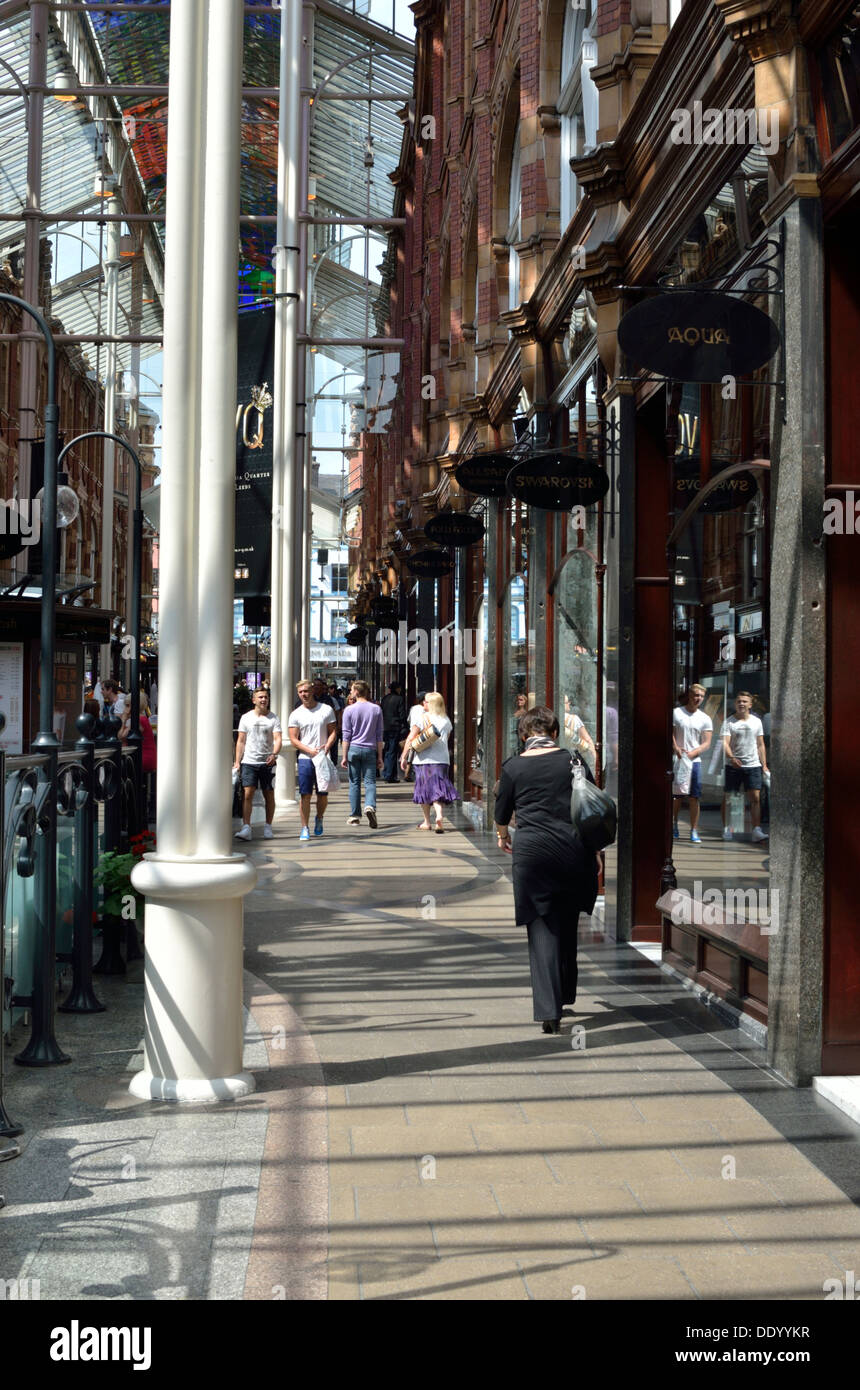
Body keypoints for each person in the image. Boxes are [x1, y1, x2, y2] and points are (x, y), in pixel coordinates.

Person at [493, 706, 598, 1034]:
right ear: (555, 734)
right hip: (573, 850)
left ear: (524, 735)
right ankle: (565, 992)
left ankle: (549, 1010)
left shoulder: (513, 767)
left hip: (533, 854)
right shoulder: (575, 762)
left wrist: (502, 835)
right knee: (567, 923)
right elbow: (590, 807)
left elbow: (501, 811)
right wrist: (594, 852)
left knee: (541, 927)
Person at [401, 690, 458, 832]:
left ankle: (427, 821)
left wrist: (404, 756)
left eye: (426, 701)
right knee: (438, 788)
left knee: (425, 790)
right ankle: (439, 815)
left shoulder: (422, 718)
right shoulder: (446, 720)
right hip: (442, 759)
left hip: (424, 759)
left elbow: (410, 738)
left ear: (431, 704)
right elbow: (447, 739)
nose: (423, 703)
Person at [288, 678, 337, 841]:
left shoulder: (326, 710)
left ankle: (319, 817)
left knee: (322, 794)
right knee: (305, 795)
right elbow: (293, 738)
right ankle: (304, 827)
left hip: (322, 758)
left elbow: (333, 732)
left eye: (306, 691)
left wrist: (327, 746)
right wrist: (309, 750)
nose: (304, 694)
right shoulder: (296, 714)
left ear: (313, 691)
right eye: (301, 692)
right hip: (305, 758)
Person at [234, 687, 282, 841]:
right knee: (248, 793)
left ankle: (268, 826)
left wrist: (274, 754)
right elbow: (241, 741)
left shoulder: (273, 718)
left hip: (267, 762)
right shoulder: (246, 718)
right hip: (249, 761)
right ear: (254, 700)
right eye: (260, 697)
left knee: (269, 794)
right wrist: (237, 762)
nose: (263, 700)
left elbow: (278, 738)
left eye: (266, 697)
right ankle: (246, 827)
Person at [721, 690, 769, 842]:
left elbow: (760, 744)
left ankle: (756, 830)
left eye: (744, 701)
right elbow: (725, 743)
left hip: (753, 765)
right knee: (731, 797)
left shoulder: (757, 721)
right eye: (739, 701)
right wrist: (732, 757)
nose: (741, 703)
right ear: (735, 703)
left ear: (750, 704)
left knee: (755, 798)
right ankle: (728, 828)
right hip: (733, 766)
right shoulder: (729, 722)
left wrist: (764, 765)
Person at [672, 682, 713, 844]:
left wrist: (695, 752)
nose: (698, 699)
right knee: (677, 796)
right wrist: (676, 748)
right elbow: (671, 733)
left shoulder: (705, 718)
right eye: (696, 695)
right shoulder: (676, 713)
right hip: (679, 760)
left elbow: (707, 742)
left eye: (701, 696)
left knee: (694, 797)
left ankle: (694, 830)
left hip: (694, 761)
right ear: (689, 695)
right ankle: (674, 824)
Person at [341, 680, 384, 827]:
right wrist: (380, 756)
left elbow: (346, 735)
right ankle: (370, 805)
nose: (351, 693)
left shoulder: (349, 710)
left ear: (356, 692)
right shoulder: (376, 709)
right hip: (370, 749)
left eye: (352, 690)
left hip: (353, 749)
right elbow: (379, 735)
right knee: (370, 782)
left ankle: (354, 815)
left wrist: (344, 755)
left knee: (354, 783)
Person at [380, 680, 406, 782]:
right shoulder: (399, 699)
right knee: (392, 751)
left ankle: (388, 772)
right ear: (397, 688)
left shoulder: (385, 699)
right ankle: (389, 775)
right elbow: (402, 715)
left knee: (388, 750)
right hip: (395, 728)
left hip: (385, 728)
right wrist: (404, 726)